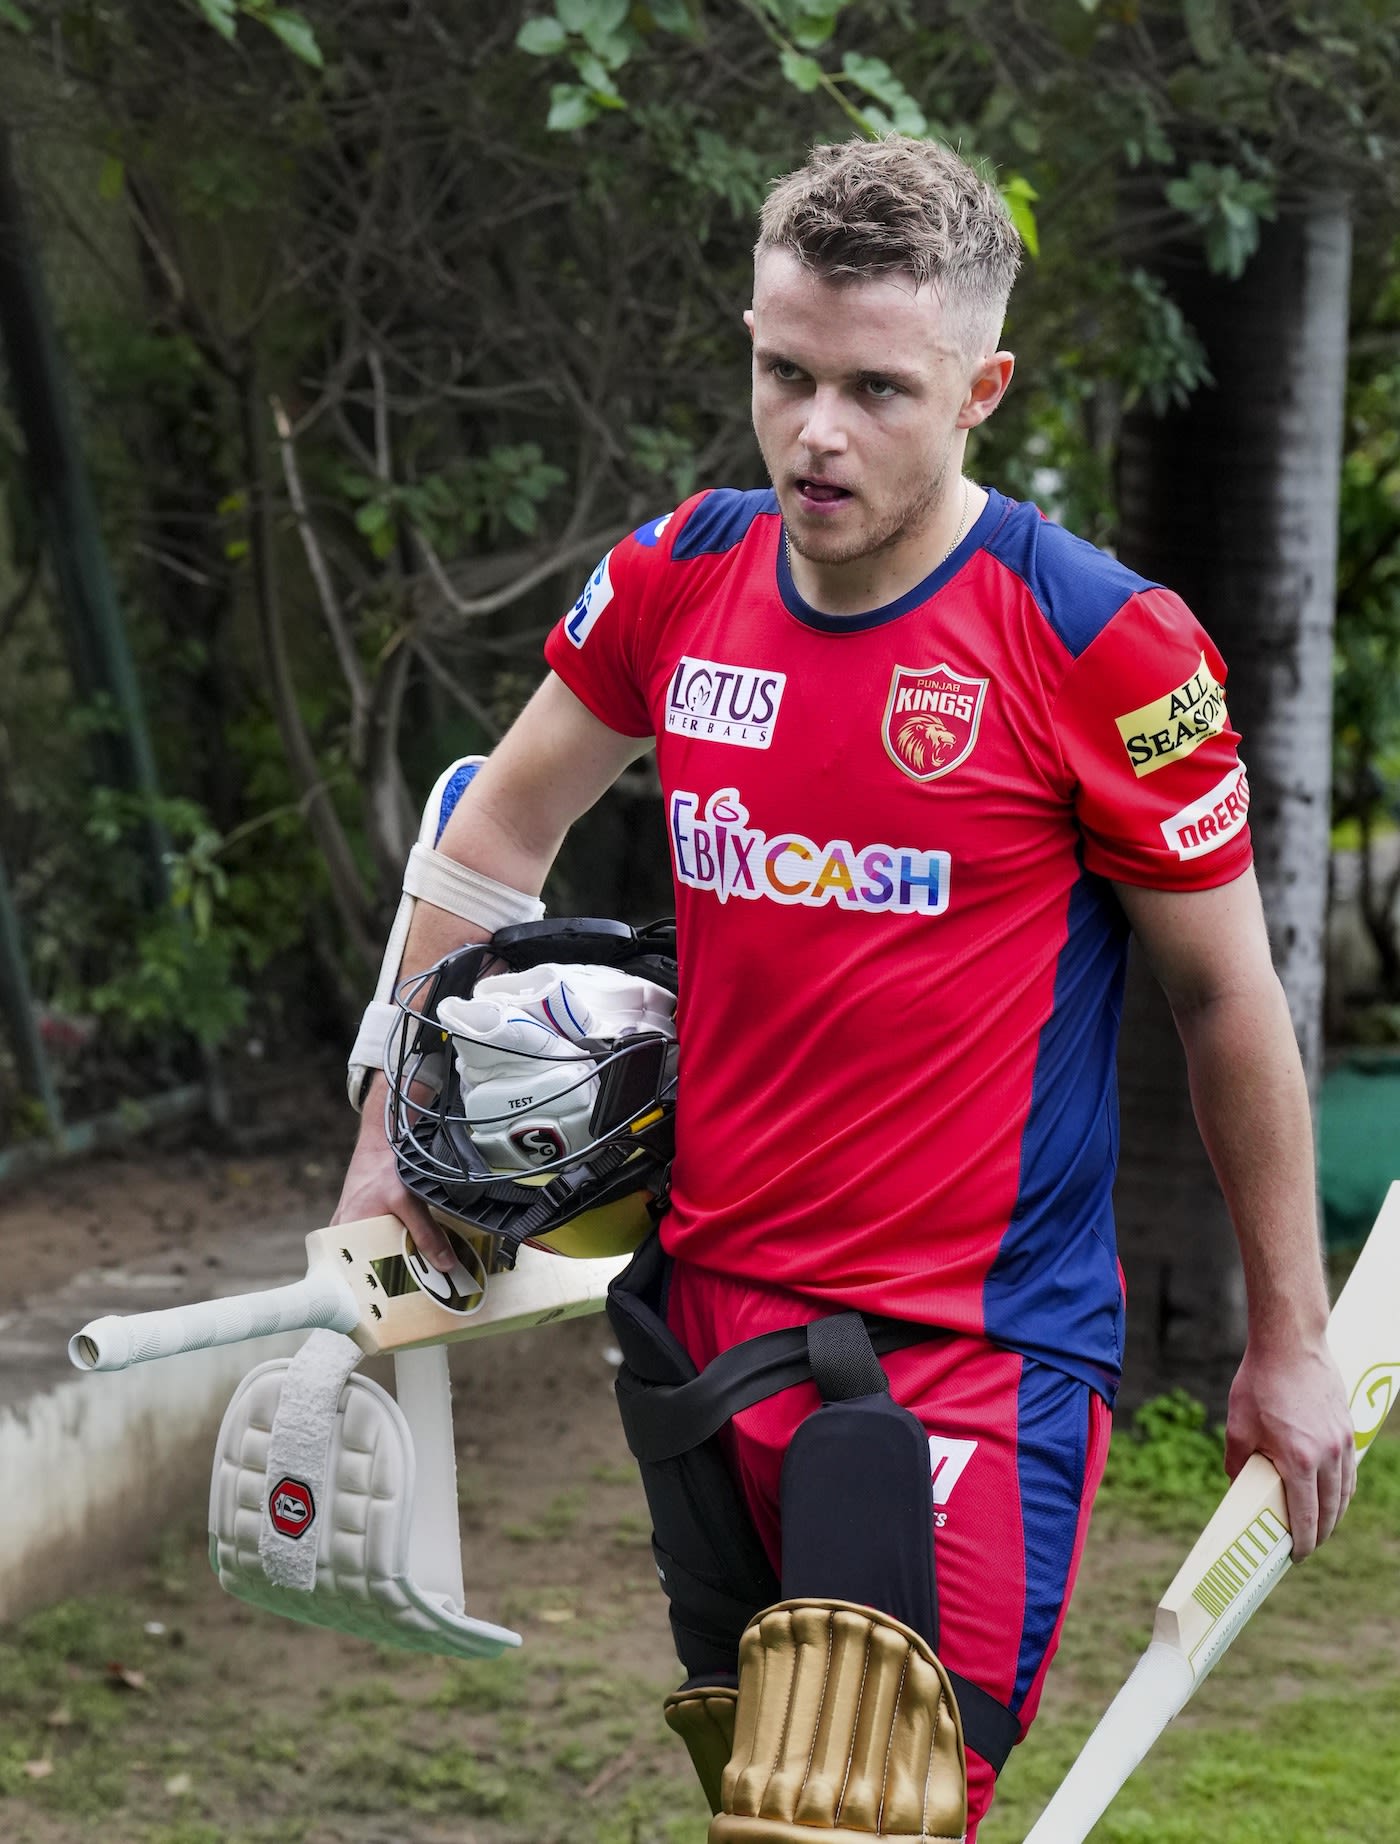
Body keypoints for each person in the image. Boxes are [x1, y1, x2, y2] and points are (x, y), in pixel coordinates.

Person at [334, 134, 1356, 1841]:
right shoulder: (677, 576)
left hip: (965, 1362)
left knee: (860, 1819)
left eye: (878, 389)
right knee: (758, 1806)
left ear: (981, 390)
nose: (817, 431)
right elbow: (492, 833)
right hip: (701, 1329)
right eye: (785, 374)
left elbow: (1225, 997)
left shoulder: (1100, 642)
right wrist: (389, 1145)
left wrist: (1291, 1339)